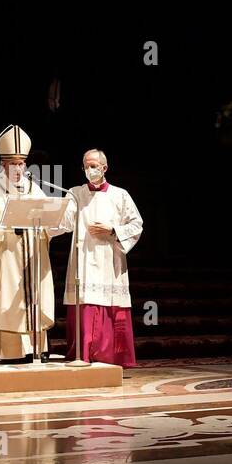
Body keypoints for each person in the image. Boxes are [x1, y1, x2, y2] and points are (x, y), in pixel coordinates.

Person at [0, 124, 67, 362]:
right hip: (3, 254)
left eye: (22, 164)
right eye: (13, 164)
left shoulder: (34, 188)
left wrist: (54, 220)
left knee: (32, 294)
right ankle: (3, 351)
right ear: (3, 164)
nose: (19, 169)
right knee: (4, 293)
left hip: (31, 254)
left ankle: (34, 348)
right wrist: (0, 225)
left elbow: (45, 217)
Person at [60, 148, 143, 367]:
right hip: (84, 258)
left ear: (104, 168)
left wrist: (113, 230)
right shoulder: (74, 194)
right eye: (86, 166)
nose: (89, 170)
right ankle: (83, 354)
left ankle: (110, 355)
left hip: (109, 258)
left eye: (94, 166)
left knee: (109, 301)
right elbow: (64, 222)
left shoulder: (120, 195)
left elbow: (137, 225)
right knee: (85, 300)